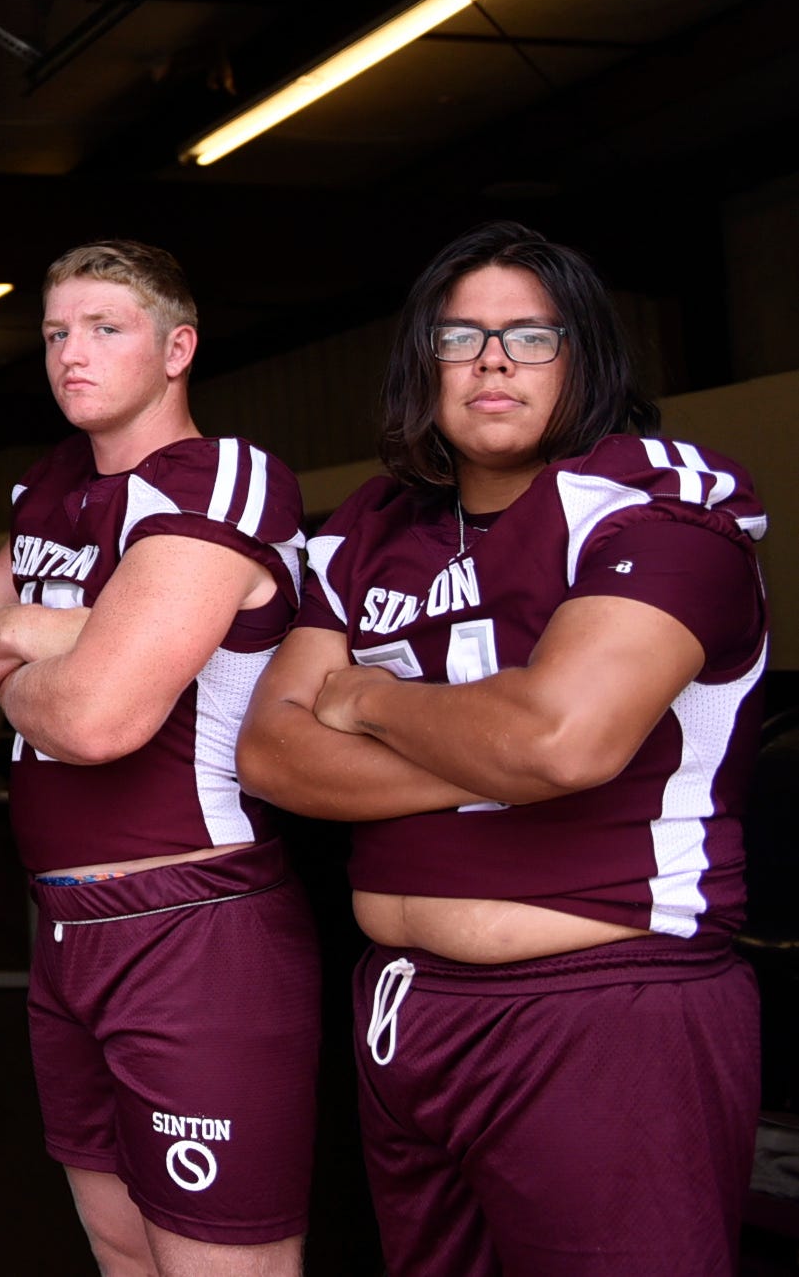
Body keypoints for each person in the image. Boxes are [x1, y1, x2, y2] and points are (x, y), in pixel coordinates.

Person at [239, 221, 766, 1277]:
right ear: (421, 365)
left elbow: (558, 744)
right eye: (460, 336)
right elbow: (271, 756)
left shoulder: (657, 504)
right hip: (401, 1012)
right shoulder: (368, 527)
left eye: (531, 336)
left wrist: (372, 697)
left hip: (602, 1006)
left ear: (586, 360)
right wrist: (494, 743)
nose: (490, 360)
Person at [0, 240, 316, 1275]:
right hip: (64, 928)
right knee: (119, 1249)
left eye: (105, 329)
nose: (72, 353)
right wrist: (60, 635)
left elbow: (97, 720)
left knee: (218, 1263)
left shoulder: (220, 476)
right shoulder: (50, 489)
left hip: (195, 923)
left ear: (176, 348)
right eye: (57, 333)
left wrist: (41, 638)